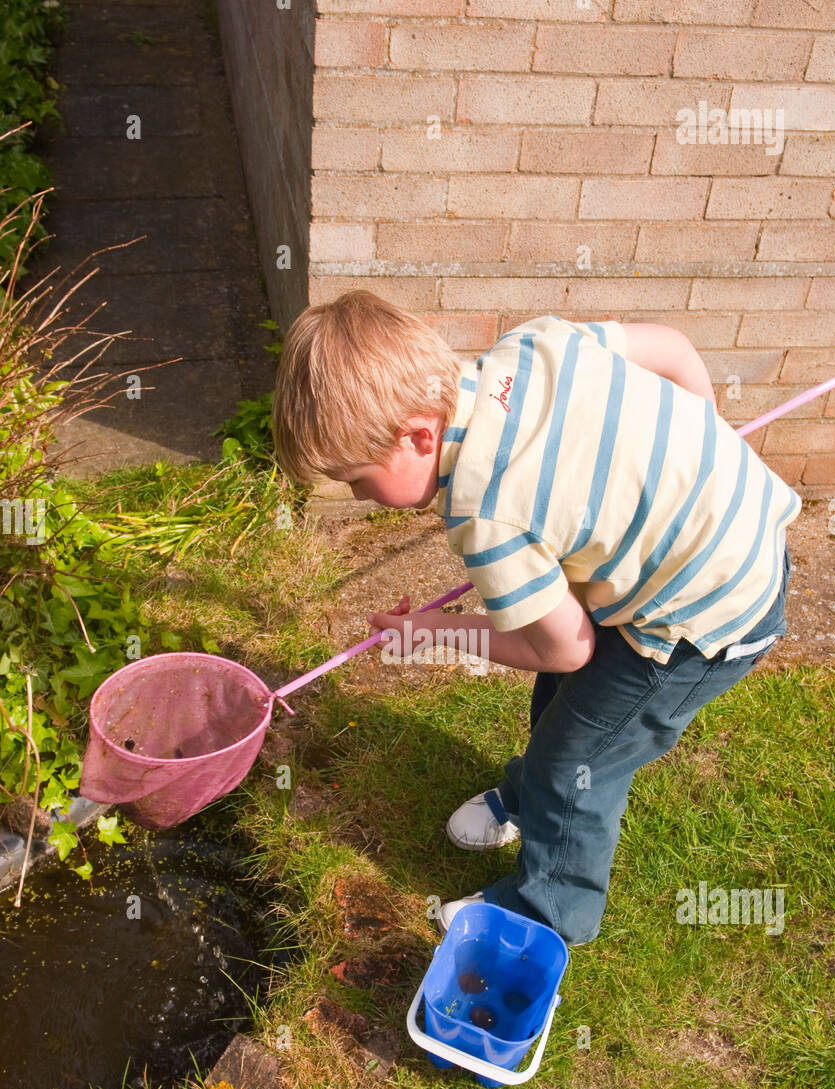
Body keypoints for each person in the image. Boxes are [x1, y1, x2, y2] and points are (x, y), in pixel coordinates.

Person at [272, 289, 799, 945]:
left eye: (357, 480)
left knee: (577, 758)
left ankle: (547, 913)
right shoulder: (531, 348)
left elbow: (566, 648)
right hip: (729, 548)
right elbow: (673, 348)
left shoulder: (489, 513)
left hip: (703, 619)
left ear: (417, 435)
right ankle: (525, 800)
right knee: (564, 708)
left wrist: (430, 635)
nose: (361, 499)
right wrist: (702, 442)